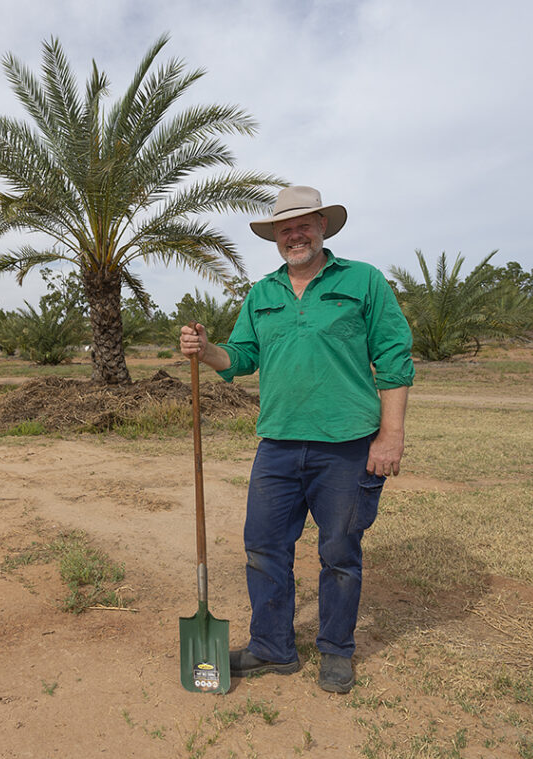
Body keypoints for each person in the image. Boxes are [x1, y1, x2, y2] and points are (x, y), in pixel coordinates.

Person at [179, 185, 414, 694]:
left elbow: (395, 359)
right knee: (263, 548)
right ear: (275, 238)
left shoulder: (364, 281)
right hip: (278, 445)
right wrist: (206, 349)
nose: (294, 235)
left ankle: (335, 650)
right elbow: (240, 358)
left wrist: (391, 435)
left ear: (323, 227)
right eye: (285, 229)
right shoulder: (262, 293)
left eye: (304, 224)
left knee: (339, 552)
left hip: (347, 445)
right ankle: (271, 647)